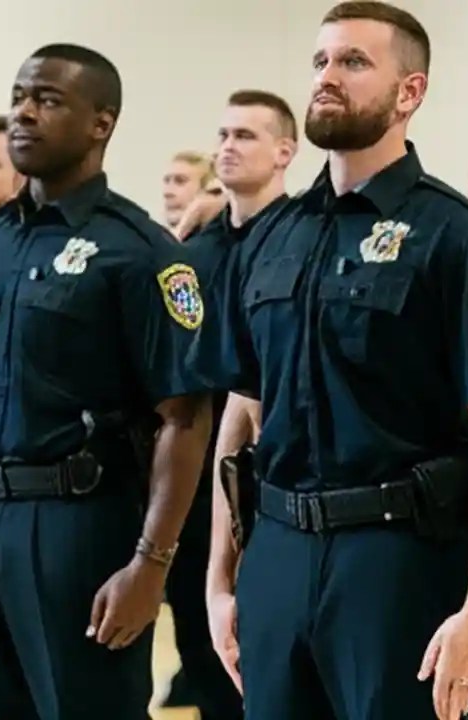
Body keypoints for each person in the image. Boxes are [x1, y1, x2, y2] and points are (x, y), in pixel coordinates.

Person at [195, 3, 468, 719]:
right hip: (279, 551)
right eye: (320, 61)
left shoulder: (458, 237)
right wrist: (220, 578)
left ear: (409, 93)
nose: (327, 77)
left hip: (397, 559)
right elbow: (241, 414)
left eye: (354, 62)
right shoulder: (270, 238)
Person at [0, 43, 213, 719]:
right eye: (19, 96)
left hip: (77, 524)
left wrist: (151, 563)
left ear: (101, 123)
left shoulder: (139, 252)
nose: (23, 111)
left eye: (47, 100)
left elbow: (185, 417)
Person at [162, 88, 300, 720]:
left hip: (278, 463)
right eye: (222, 134)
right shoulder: (193, 250)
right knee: (202, 634)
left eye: (245, 135)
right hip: (197, 462)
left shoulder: (304, 238)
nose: (228, 146)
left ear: (284, 151)